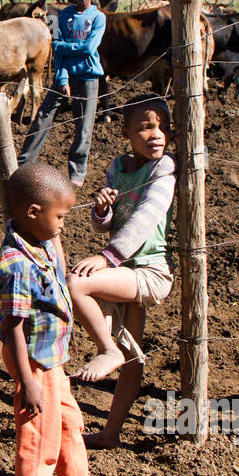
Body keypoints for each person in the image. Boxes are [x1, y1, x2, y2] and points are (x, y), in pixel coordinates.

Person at [0, 161, 122, 476]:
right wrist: (28, 381)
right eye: (61, 216)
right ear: (33, 213)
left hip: (52, 357)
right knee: (39, 437)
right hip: (33, 359)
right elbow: (14, 326)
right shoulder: (15, 264)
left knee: (69, 423)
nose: (64, 224)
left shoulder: (43, 239)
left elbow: (57, 253)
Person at [66, 94, 176, 449]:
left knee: (75, 283)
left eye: (162, 127)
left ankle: (105, 348)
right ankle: (111, 433)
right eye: (145, 127)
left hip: (149, 272)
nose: (155, 134)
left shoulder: (164, 170)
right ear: (126, 132)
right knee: (133, 357)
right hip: (125, 268)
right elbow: (107, 224)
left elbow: (145, 220)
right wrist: (103, 211)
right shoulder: (118, 167)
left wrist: (107, 257)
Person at [17, 0, 107, 187]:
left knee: (84, 126)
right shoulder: (64, 16)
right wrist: (64, 78)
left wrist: (65, 47)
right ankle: (24, 164)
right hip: (63, 76)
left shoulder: (98, 18)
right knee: (43, 116)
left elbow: (88, 48)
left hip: (87, 77)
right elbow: (57, 52)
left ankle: (76, 173)